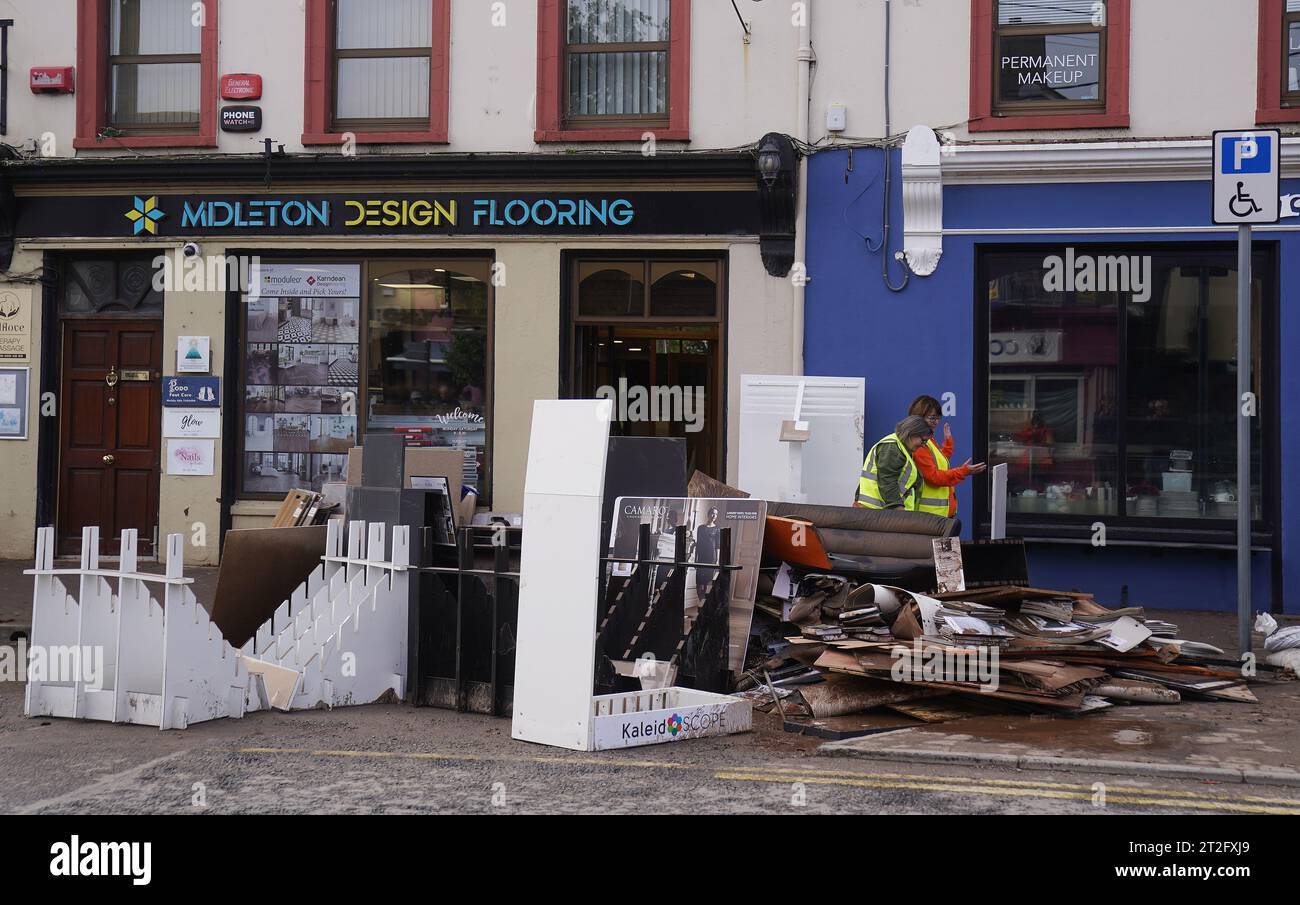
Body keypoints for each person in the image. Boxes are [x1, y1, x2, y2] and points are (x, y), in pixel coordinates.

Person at [907, 395, 986, 517]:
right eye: (932, 418)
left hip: (939, 515)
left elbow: (938, 461)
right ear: (918, 418)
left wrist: (948, 444)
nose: (936, 422)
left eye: (938, 418)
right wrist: (963, 471)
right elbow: (934, 477)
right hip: (931, 517)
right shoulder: (919, 444)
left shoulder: (926, 439)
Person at [856, 416, 934, 510]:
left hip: (880, 513)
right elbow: (888, 482)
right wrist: (898, 510)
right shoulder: (892, 449)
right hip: (878, 513)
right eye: (923, 440)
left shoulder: (901, 448)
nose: (923, 445)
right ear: (912, 433)